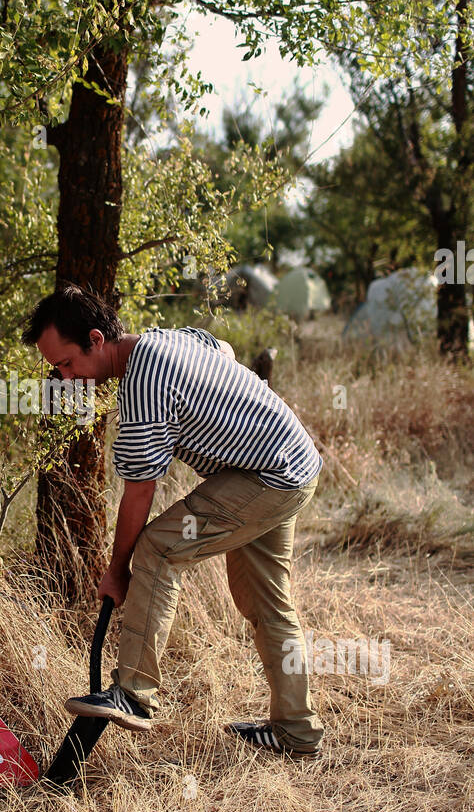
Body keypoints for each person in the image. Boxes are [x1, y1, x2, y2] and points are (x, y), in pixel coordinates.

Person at [22, 284, 324, 760]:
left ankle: (133, 694)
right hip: (292, 461)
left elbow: (140, 491)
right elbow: (217, 347)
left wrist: (118, 568)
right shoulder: (166, 340)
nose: (64, 377)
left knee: (160, 548)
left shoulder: (141, 381)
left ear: (96, 340)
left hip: (268, 475)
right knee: (264, 599)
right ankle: (296, 730)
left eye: (65, 364)